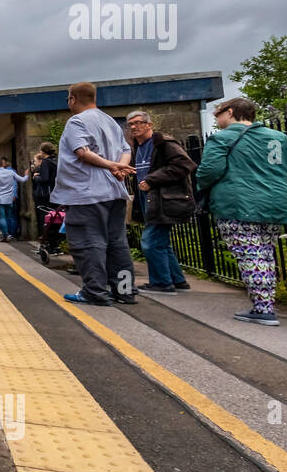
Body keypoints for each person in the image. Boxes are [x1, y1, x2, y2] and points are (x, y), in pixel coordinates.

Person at [195, 97, 287, 325]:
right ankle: (265, 304)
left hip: (237, 205)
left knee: (251, 256)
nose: (216, 118)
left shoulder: (222, 138)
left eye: (218, 113)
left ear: (231, 112)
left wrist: (203, 189)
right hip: (274, 204)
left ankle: (264, 309)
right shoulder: (278, 137)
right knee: (264, 254)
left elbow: (208, 172)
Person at [50, 82, 137, 305]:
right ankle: (125, 291)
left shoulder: (76, 122)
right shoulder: (110, 121)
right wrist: (120, 167)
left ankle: (95, 292)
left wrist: (111, 166)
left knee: (88, 243)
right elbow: (126, 150)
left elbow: (82, 152)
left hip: (86, 193)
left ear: (72, 98)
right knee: (118, 243)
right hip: (115, 192)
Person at [126, 110, 195, 294]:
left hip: (164, 201)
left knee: (150, 242)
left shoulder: (163, 142)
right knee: (161, 242)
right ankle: (177, 281)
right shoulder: (137, 147)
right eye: (130, 124)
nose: (134, 126)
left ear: (149, 125)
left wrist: (152, 179)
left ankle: (162, 283)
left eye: (138, 122)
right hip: (149, 201)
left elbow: (184, 165)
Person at [0, 157, 28, 242]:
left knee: (2, 218)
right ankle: (0, 232)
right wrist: (26, 174)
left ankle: (5, 235)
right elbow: (23, 180)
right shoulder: (11, 172)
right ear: (2, 163)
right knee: (6, 217)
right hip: (9, 199)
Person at [31, 141, 58, 207]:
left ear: (44, 151)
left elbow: (44, 179)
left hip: (46, 194)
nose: (40, 152)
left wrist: (35, 177)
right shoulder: (55, 160)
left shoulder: (45, 162)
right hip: (56, 192)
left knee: (45, 215)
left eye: (40, 150)